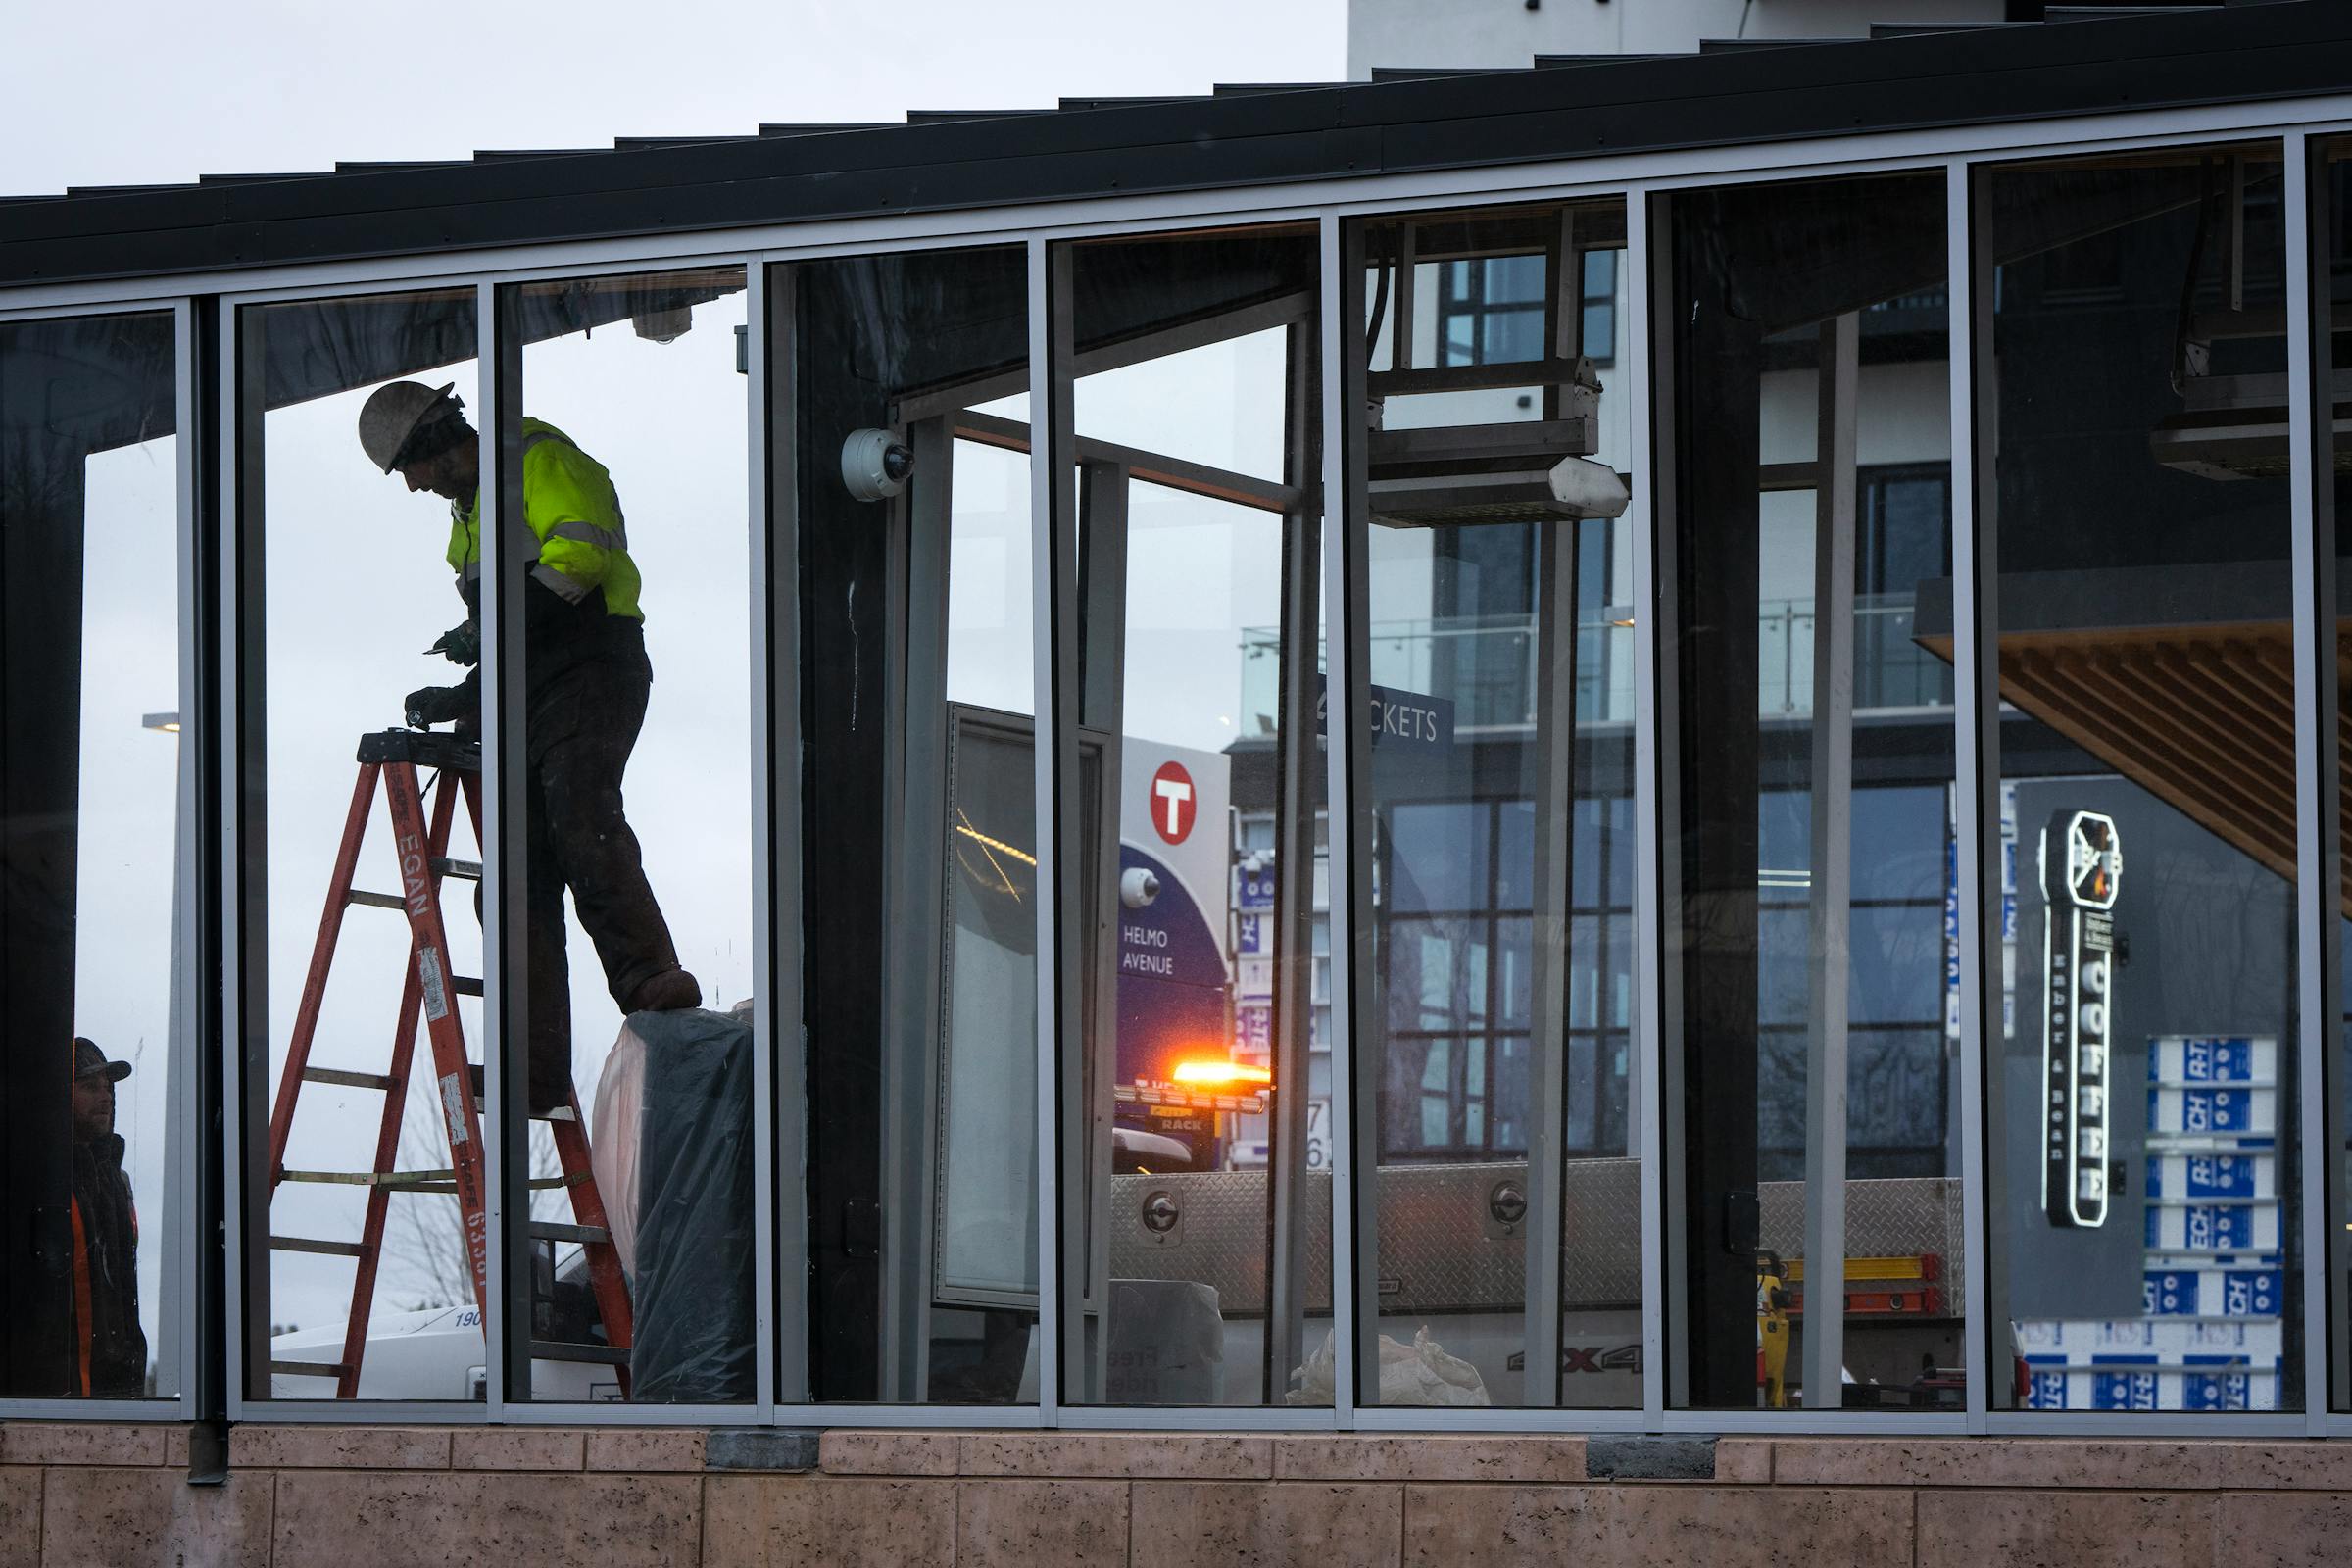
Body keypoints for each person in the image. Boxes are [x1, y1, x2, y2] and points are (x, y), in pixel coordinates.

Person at [357, 380, 701, 1115]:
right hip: (530, 683)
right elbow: (513, 632)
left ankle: (651, 978)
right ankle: (535, 1070)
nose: (413, 485)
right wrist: (469, 689)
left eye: (409, 468)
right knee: (511, 884)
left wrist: (496, 637)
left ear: (430, 443)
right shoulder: (468, 515)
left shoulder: (537, 462)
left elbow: (581, 564)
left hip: (592, 666)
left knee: (581, 815)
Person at [68, 1037, 146, 1396]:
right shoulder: (40, 1178)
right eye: (89, 1085)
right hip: (60, 1389)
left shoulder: (116, 1180)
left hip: (117, 1383)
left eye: (108, 1087)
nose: (106, 1097)